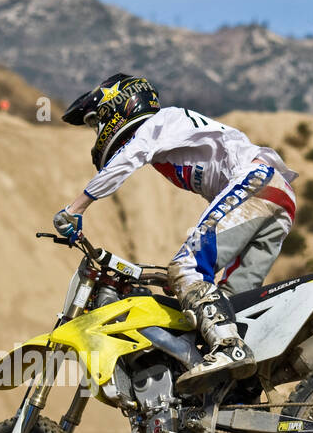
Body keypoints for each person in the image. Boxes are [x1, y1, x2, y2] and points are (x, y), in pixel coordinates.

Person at [53, 73, 297, 393]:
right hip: (278, 198)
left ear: (120, 106)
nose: (98, 131)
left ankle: (228, 348)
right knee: (231, 302)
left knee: (186, 266)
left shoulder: (157, 123)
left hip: (255, 182)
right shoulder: (171, 136)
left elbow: (128, 159)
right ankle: (242, 392)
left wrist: (76, 208)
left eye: (98, 121)